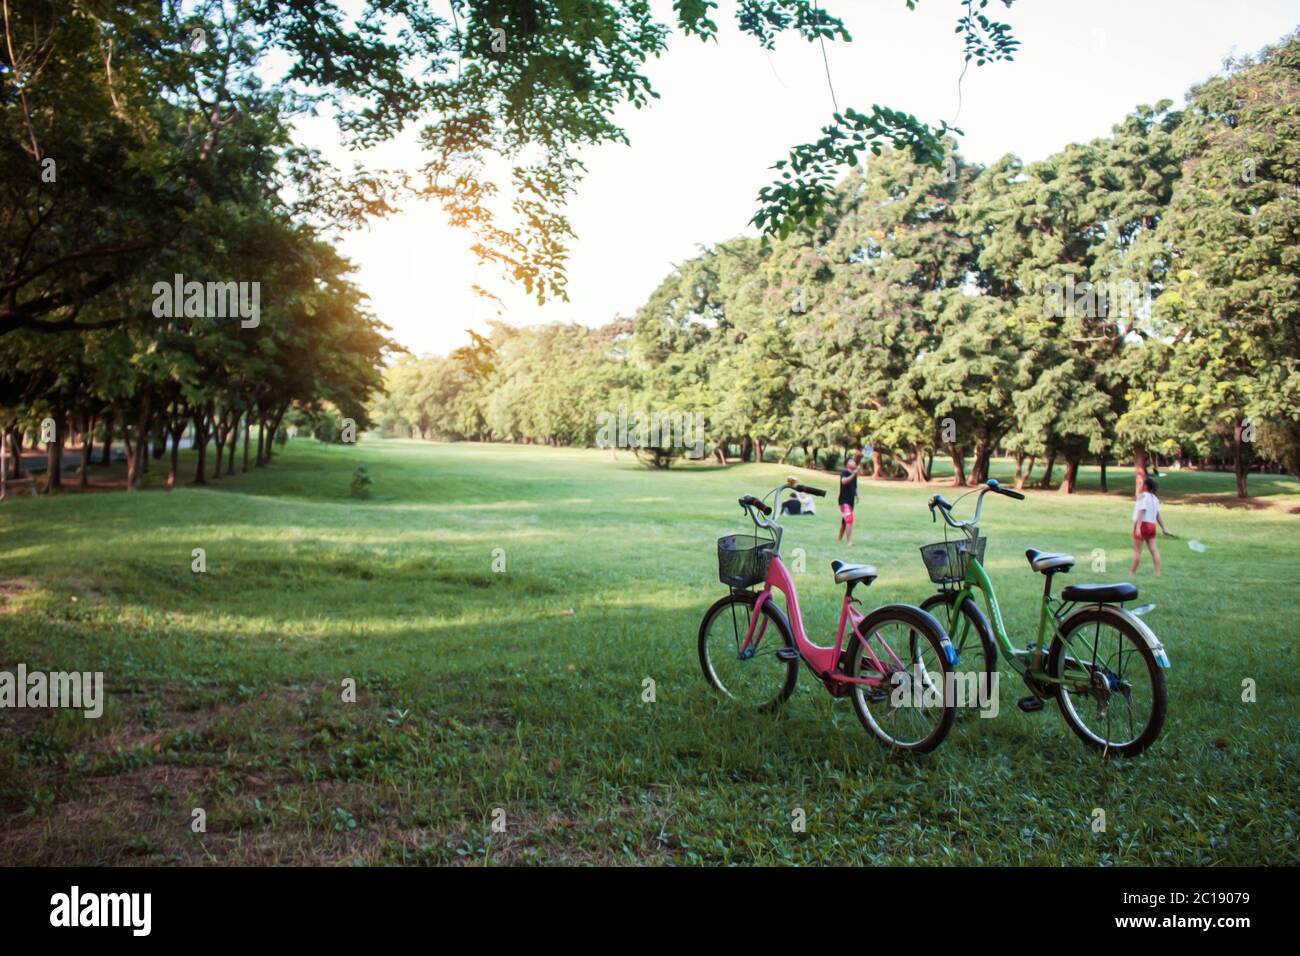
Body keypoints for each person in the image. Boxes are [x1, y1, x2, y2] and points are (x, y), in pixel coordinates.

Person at [1130, 478, 1171, 575]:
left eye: (1141, 484)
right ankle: (1157, 573)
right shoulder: (1155, 498)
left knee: (1137, 551)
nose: (1140, 486)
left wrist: (1138, 527)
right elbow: (1157, 515)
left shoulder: (1142, 496)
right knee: (1154, 550)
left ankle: (1131, 573)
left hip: (1143, 524)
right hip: (1152, 526)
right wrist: (1164, 528)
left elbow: (1141, 511)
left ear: (1145, 486)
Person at [838, 455, 861, 546]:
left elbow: (854, 486)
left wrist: (857, 495)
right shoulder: (844, 472)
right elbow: (844, 482)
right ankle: (849, 542)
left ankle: (839, 540)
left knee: (844, 521)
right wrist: (854, 474)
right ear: (847, 464)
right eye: (851, 461)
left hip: (850, 500)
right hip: (843, 500)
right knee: (849, 519)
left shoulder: (854, 474)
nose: (854, 462)